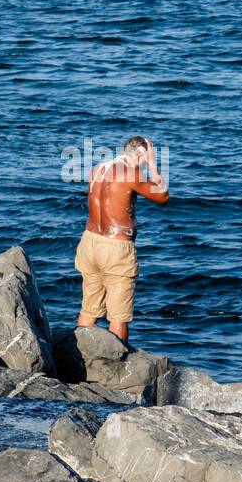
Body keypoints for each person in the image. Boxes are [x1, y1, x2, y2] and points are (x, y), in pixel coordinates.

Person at [74, 136, 169, 343]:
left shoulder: (98, 169)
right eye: (146, 158)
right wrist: (153, 165)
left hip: (89, 243)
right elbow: (162, 195)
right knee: (118, 316)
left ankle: (76, 356)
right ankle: (117, 366)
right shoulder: (130, 173)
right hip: (115, 248)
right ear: (141, 154)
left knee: (89, 309)